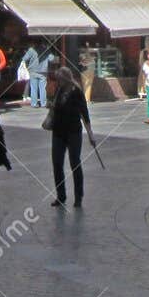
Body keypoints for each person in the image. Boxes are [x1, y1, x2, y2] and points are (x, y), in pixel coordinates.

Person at [47, 65, 93, 208]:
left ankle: (78, 196)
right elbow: (55, 106)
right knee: (57, 164)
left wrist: (90, 134)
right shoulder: (59, 90)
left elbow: (84, 114)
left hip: (73, 131)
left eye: (60, 79)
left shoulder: (76, 91)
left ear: (66, 79)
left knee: (75, 163)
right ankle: (61, 196)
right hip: (58, 131)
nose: (58, 82)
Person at [21, 43, 52, 110]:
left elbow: (24, 59)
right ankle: (43, 103)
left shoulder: (31, 50)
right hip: (43, 71)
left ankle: (34, 103)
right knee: (42, 88)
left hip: (33, 71)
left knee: (34, 88)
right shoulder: (46, 50)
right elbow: (52, 59)